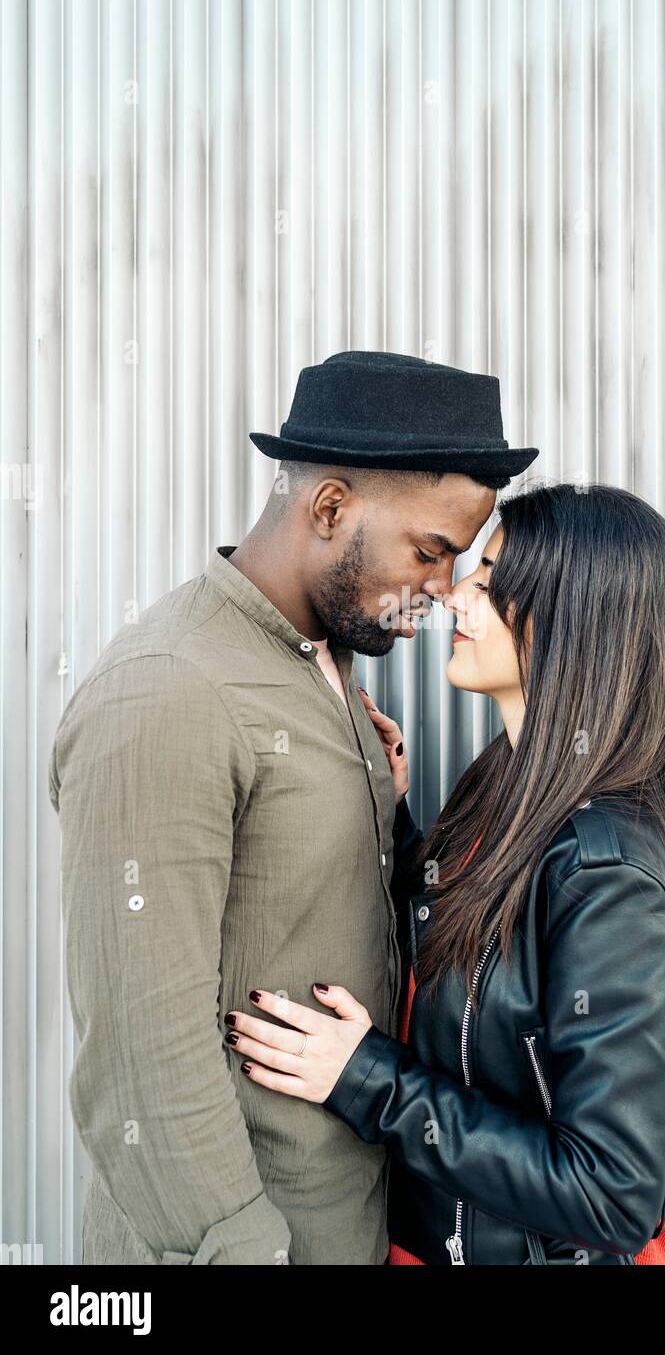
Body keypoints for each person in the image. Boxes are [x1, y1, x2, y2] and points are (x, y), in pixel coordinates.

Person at [48, 349, 538, 1265]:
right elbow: (142, 1055)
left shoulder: (328, 669)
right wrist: (247, 1251)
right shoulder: (168, 691)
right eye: (429, 553)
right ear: (328, 509)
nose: (442, 592)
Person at [223, 481, 665, 1265]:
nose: (454, 594)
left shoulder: (607, 876)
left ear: (574, 625)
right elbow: (467, 969)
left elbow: (611, 1192)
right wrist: (392, 821)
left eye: (488, 583)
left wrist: (366, 1081)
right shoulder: (502, 793)